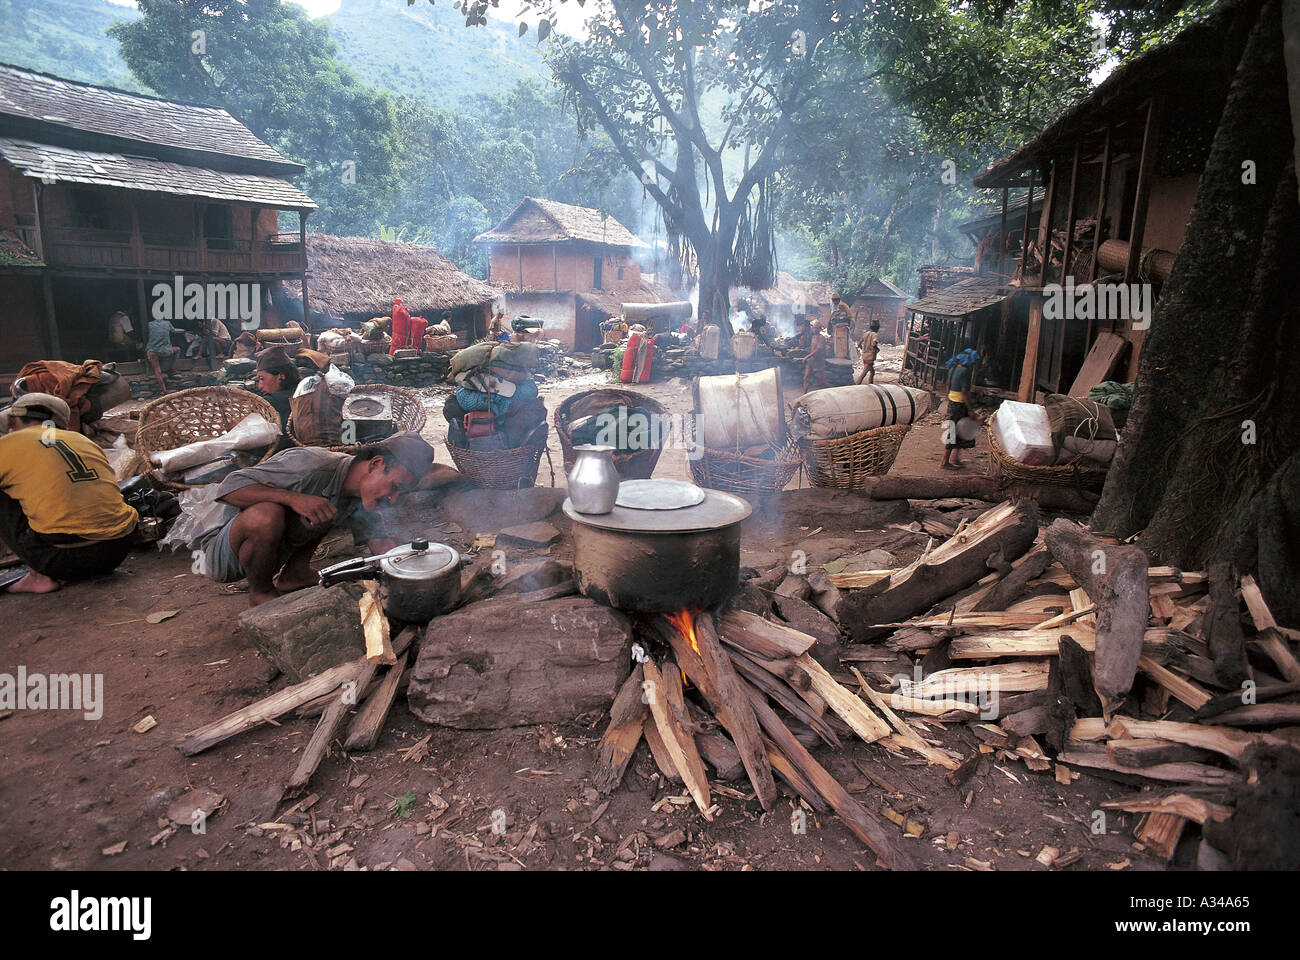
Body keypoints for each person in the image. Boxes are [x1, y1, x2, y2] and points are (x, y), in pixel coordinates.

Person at [192, 433, 434, 607]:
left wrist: (412, 577)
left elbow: (380, 544)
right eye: (395, 487)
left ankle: (295, 574)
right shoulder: (311, 465)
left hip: (266, 550)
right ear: (376, 464)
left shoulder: (360, 493)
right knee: (266, 514)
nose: (393, 499)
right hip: (219, 553)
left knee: (323, 509)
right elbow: (228, 487)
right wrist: (293, 498)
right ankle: (260, 593)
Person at [0, 394, 137, 595]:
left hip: (64, 559)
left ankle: (38, 577)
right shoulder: (82, 440)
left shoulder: (8, 443)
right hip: (119, 549)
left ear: (12, 421)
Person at [941, 349, 983, 471]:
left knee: (960, 430)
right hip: (960, 404)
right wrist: (970, 409)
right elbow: (964, 391)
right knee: (955, 432)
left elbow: (948, 385)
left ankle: (954, 458)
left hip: (953, 402)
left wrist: (949, 398)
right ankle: (944, 462)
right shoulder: (965, 371)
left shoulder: (953, 368)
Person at [254, 349, 301, 451]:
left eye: (262, 379)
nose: (260, 386)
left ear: (280, 376)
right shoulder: (303, 391)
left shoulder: (270, 402)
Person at [146, 315, 182, 394]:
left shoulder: (149, 324)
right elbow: (174, 331)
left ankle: (164, 390)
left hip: (152, 350)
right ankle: (172, 368)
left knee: (157, 370)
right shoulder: (167, 323)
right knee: (178, 349)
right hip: (164, 351)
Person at [801, 316, 830, 394]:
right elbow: (811, 348)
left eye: (816, 328)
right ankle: (804, 394)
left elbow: (817, 350)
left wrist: (807, 356)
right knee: (806, 377)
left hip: (819, 361)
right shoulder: (813, 337)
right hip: (811, 360)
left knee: (821, 380)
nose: (815, 329)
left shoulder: (821, 338)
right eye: (814, 328)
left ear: (820, 329)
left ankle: (829, 391)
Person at [855, 319, 881, 385]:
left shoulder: (866, 334)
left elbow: (858, 344)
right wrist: (877, 349)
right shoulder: (875, 335)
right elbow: (873, 344)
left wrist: (863, 349)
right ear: (877, 328)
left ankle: (871, 384)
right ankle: (856, 384)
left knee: (872, 372)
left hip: (864, 355)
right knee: (864, 373)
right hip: (870, 356)